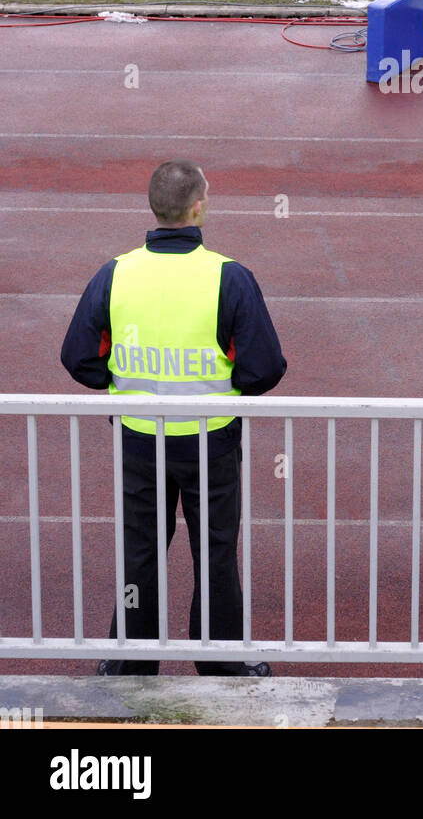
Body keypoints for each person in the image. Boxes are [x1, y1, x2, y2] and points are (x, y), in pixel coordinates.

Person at [61, 159, 286, 675]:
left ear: (153, 207)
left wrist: (119, 383)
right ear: (199, 207)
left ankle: (130, 663)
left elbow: (78, 357)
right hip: (210, 440)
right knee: (216, 555)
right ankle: (222, 664)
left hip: (140, 439)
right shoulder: (229, 276)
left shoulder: (115, 273)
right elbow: (264, 368)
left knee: (139, 556)